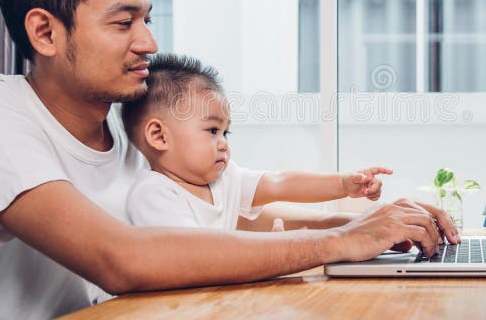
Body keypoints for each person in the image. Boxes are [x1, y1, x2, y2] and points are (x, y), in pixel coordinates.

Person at [0, 0, 459, 320]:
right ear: (45, 33)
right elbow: (120, 258)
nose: (149, 42)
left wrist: (364, 225)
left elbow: (217, 219)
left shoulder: (125, 124)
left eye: (148, 19)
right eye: (123, 22)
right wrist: (337, 244)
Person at [122, 53, 390, 230]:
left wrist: (343, 184)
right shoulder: (154, 195)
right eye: (212, 130)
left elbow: (281, 183)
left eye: (226, 133)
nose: (224, 143)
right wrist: (272, 252)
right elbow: (200, 255)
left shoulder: (225, 179)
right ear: (159, 136)